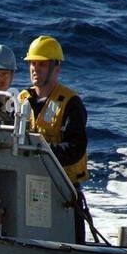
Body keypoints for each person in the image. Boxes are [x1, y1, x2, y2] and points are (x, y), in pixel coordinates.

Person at [17, 36, 91, 239]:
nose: (35, 69)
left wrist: (40, 151)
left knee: (71, 238)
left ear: (56, 68)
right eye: (33, 63)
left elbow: (75, 149)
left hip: (62, 186)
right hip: (29, 183)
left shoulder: (70, 103)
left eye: (42, 64)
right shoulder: (22, 99)